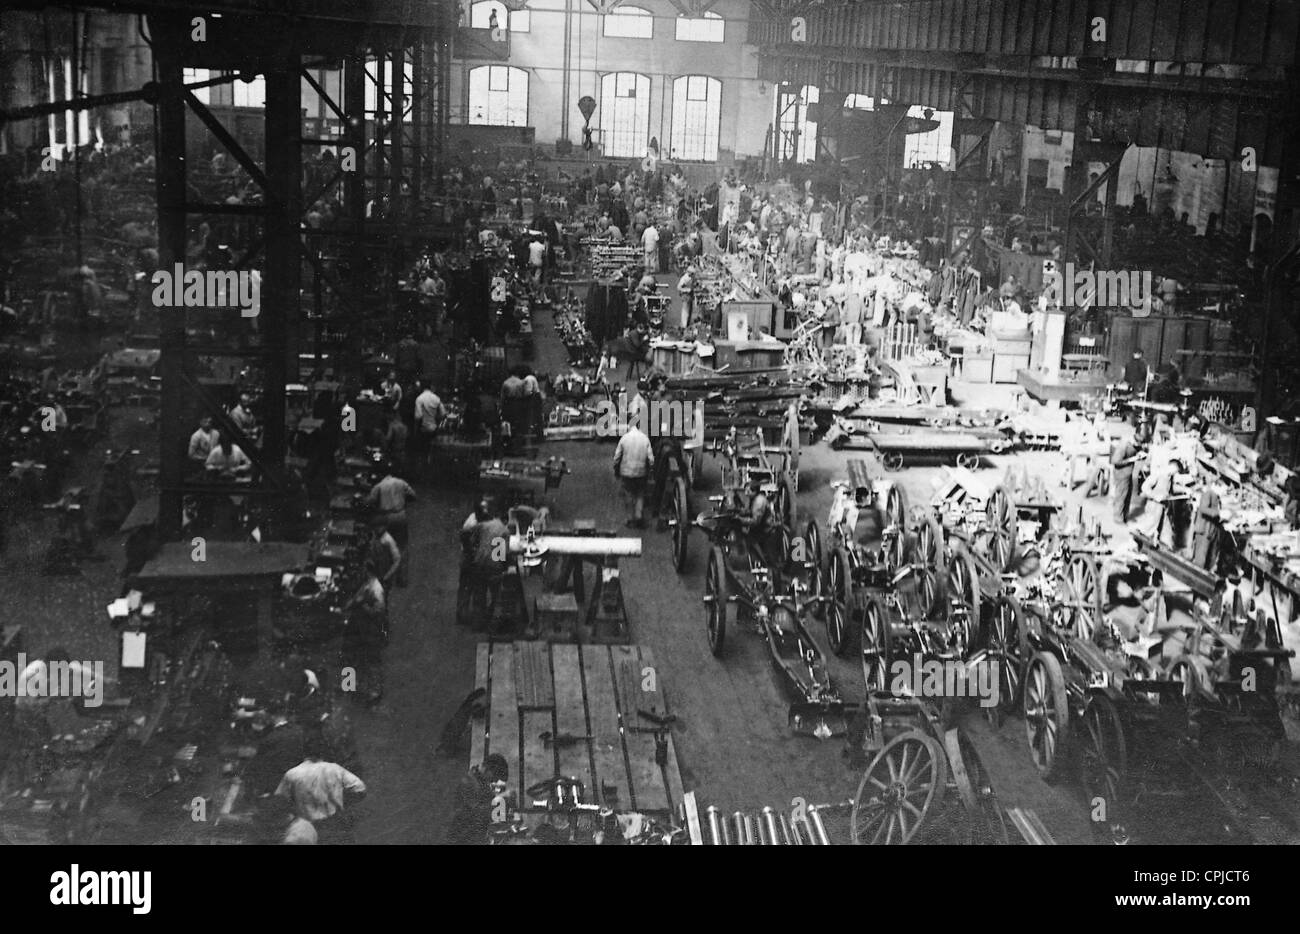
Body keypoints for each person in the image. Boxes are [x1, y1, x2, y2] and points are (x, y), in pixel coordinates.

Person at [274, 736, 366, 844]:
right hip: (336, 822)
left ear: (304, 753)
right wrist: (344, 803)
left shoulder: (292, 774)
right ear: (323, 752)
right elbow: (360, 788)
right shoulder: (334, 768)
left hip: (309, 828)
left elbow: (279, 800)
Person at [342, 561, 388, 703]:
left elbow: (379, 610)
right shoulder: (367, 584)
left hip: (371, 631)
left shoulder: (376, 588)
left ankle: (375, 692)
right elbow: (357, 598)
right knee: (353, 657)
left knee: (372, 662)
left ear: (369, 571)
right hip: (360, 630)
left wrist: (364, 607)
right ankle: (349, 686)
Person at [450, 753, 509, 845]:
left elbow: (490, 805)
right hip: (463, 837)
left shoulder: (482, 782)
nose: (495, 781)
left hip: (474, 836)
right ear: (487, 769)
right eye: (495, 777)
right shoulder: (468, 782)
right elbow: (476, 812)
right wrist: (500, 799)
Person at [466, 503, 509, 629]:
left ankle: (477, 624)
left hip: (479, 563)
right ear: (505, 520)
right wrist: (505, 567)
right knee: (496, 595)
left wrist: (473, 554)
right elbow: (501, 554)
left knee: (479, 594)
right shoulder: (504, 530)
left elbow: (469, 537)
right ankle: (493, 625)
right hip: (493, 565)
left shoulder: (483, 525)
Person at [367, 469, 415, 567]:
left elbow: (370, 501)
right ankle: (402, 567)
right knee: (402, 544)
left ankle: (386, 567)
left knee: (386, 543)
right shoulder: (401, 482)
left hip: (387, 517)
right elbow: (413, 495)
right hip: (401, 516)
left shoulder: (379, 486)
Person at [613, 421, 654, 529]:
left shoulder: (624, 438)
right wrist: (649, 471)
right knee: (640, 494)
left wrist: (616, 470)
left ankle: (630, 519)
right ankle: (639, 515)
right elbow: (651, 459)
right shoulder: (645, 438)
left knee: (629, 494)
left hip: (626, 472)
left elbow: (617, 457)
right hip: (641, 472)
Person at [1109, 433, 1143, 524]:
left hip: (1128, 473)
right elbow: (1115, 461)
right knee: (1121, 495)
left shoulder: (1132, 445)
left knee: (1127, 496)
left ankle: (1124, 516)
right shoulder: (1123, 446)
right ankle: (1118, 518)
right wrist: (1131, 459)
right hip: (1121, 474)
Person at [413, 381, 446, 470]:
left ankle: (422, 470)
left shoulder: (419, 399)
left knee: (422, 452)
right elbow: (443, 414)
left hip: (423, 429)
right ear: (431, 387)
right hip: (434, 429)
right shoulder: (436, 398)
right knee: (431, 451)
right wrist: (435, 418)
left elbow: (418, 416)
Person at [1191, 484, 1224, 572]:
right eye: (1223, 487)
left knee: (1209, 563)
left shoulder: (1217, 497)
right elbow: (1203, 509)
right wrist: (1220, 513)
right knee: (1200, 562)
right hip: (1204, 531)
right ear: (1217, 485)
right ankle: (1196, 583)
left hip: (1211, 532)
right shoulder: (1208, 494)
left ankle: (1201, 583)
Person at [367, 514, 403, 590]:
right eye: (375, 527)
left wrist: (388, 575)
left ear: (384, 526)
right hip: (376, 572)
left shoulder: (388, 540)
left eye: (379, 526)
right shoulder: (375, 537)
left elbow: (397, 559)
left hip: (386, 574)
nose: (377, 529)